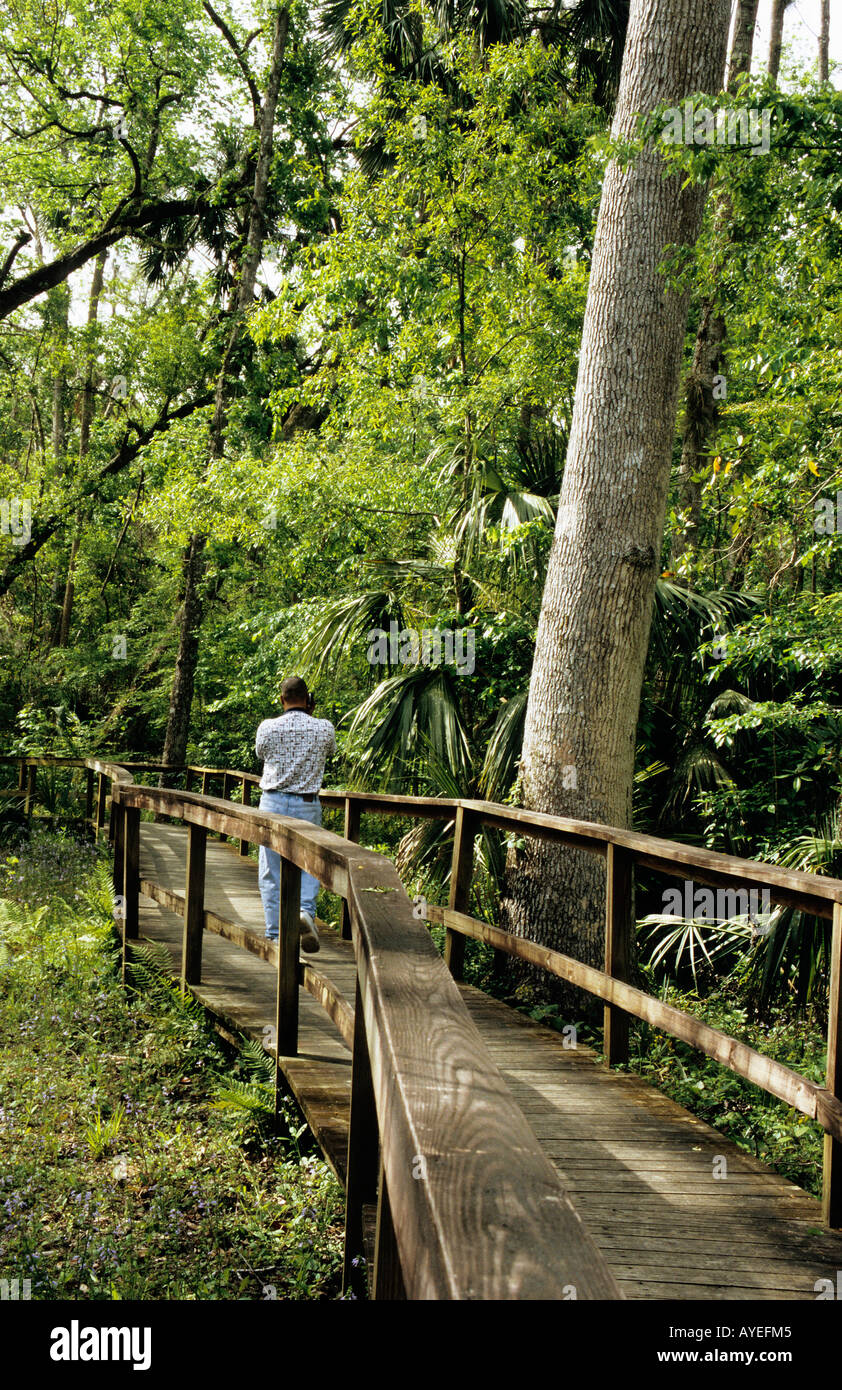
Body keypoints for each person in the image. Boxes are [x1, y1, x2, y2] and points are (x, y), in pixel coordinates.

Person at [255, 675, 336, 953]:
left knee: (270, 869)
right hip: (307, 804)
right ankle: (304, 913)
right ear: (308, 699)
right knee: (309, 864)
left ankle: (275, 933)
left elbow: (260, 754)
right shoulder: (324, 728)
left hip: (272, 804)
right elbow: (330, 751)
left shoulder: (267, 728)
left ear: (282, 699)